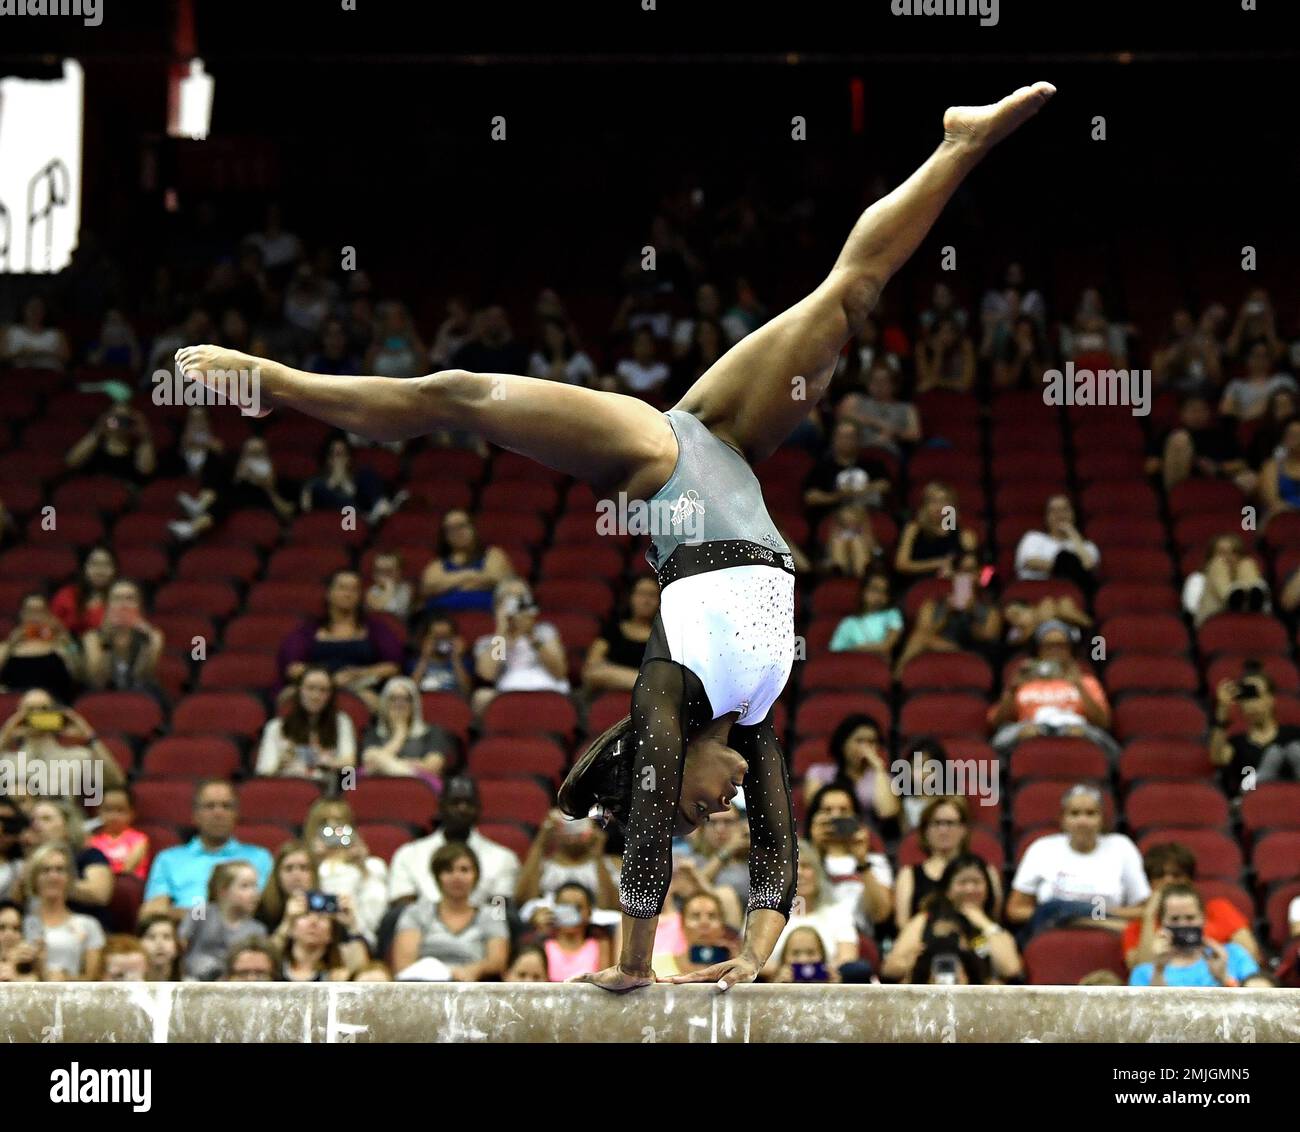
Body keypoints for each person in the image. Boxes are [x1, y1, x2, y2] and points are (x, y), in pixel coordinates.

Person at [177, 82, 1058, 991]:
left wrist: (634, 965)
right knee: (848, 299)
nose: (709, 810)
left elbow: (642, 827)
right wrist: (754, 958)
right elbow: (776, 844)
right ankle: (959, 145)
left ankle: (276, 379)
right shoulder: (751, 715)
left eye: (689, 804)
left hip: (656, 462)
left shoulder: (669, 695)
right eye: (707, 813)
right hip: (730, 444)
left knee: (459, 397)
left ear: (657, 761)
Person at [1007, 784, 1149, 940]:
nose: (1082, 821)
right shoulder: (1042, 848)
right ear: (1062, 819)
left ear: (1102, 819)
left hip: (1107, 933)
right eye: (1074, 814)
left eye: (1090, 813)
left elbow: (1144, 910)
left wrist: (1078, 913)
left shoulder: (1121, 847)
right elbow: (1015, 910)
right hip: (1053, 933)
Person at [141, 780, 274, 918]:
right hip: (182, 935)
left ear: (236, 814)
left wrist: (189, 914)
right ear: (195, 815)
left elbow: (263, 910)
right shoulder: (168, 859)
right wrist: (204, 918)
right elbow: (152, 912)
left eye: (226, 806)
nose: (218, 813)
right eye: (210, 806)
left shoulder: (260, 858)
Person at [387, 776, 521, 908]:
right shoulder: (408, 854)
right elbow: (401, 908)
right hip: (418, 928)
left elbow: (499, 912)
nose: (462, 808)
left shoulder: (503, 858)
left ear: (479, 809)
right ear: (440, 807)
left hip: (484, 928)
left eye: (469, 803)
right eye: (455, 802)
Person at [987, 620, 1116, 757]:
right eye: (1048, 646)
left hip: (1076, 731)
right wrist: (1013, 689)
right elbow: (996, 723)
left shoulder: (1086, 681)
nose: (1055, 651)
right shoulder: (1023, 681)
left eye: (1061, 646)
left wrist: (1078, 685)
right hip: (1030, 731)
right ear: (1038, 649)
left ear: (1070, 650)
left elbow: (1104, 723)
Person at [1123, 842, 1259, 970]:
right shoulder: (1137, 928)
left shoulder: (1219, 909)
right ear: (1150, 882)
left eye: (1176, 875)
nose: (1168, 881)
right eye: (1159, 875)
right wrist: (1149, 917)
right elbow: (1141, 973)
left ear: (1190, 880)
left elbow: (1250, 956)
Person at [884, 857, 1021, 983]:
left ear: (987, 889)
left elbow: (1011, 969)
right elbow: (889, 969)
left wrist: (982, 922)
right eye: (962, 882)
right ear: (947, 889)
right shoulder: (925, 918)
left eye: (976, 882)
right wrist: (912, 961)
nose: (970, 889)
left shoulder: (992, 926)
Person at [276, 571, 402, 705]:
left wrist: (360, 673)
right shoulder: (308, 630)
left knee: (372, 701)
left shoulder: (375, 628)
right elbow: (293, 668)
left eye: (354, 589)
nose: (348, 594)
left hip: (361, 687)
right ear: (328, 593)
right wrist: (329, 679)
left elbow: (392, 666)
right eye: (342, 588)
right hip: (316, 686)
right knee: (288, 696)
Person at [391, 843, 510, 981]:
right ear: (437, 876)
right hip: (424, 985)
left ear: (475, 875)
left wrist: (473, 970)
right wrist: (445, 974)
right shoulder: (415, 913)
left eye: (464, 870)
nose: (457, 877)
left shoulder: (492, 914)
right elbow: (404, 965)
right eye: (448, 870)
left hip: (473, 986)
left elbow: (498, 962)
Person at [893, 796, 1002, 926]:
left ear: (963, 828)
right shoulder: (908, 875)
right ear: (925, 830)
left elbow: (994, 919)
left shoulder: (986, 872)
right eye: (936, 823)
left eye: (950, 823)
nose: (943, 830)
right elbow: (902, 926)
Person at [760, 843, 859, 982]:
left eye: (806, 866)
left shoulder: (839, 914)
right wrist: (781, 972)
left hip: (828, 987)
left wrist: (818, 973)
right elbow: (747, 959)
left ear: (818, 873)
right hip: (773, 987)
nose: (799, 872)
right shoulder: (762, 914)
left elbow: (848, 959)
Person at [1128, 885, 1260, 988]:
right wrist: (1159, 970)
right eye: (1174, 919)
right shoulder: (1144, 972)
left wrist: (1224, 977)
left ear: (1203, 919)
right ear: (1162, 923)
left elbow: (1258, 1006)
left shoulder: (1234, 954)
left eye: (1190, 918)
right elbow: (1148, 1018)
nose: (1183, 924)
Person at [470, 580, 570, 715]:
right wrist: (501, 630)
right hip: (508, 693)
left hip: (546, 688)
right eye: (510, 597)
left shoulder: (544, 632)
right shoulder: (490, 641)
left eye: (521, 598)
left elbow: (560, 672)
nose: (516, 603)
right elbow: (488, 675)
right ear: (498, 606)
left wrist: (531, 634)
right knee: (481, 696)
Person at [0, 688, 126, 794]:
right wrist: (6, 735)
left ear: (55, 713)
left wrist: (89, 735)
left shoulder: (77, 756)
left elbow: (116, 782)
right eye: (30, 709)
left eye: (44, 709)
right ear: (18, 715)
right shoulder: (7, 759)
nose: (37, 714)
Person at [893, 550, 1000, 675]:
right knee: (920, 638)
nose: (965, 576)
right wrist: (946, 614)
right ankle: (898, 677)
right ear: (954, 575)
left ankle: (897, 677)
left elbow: (990, 640)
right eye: (960, 571)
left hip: (972, 652)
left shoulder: (990, 610)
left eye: (970, 571)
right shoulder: (932, 605)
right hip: (942, 647)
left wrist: (972, 612)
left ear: (978, 575)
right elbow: (922, 633)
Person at [302, 798, 388, 949]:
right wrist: (317, 864)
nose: (333, 828)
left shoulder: (372, 866)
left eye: (339, 822)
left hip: (359, 940)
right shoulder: (302, 866)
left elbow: (374, 921)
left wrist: (362, 870)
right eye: (324, 823)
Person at [18, 799, 114, 925]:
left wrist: (53, 881)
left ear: (67, 826)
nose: (36, 825)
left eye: (46, 819)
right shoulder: (29, 858)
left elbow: (100, 894)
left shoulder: (88, 855)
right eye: (33, 820)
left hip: (84, 927)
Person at [255, 664, 358, 780]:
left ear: (330, 695)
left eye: (323, 690)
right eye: (310, 688)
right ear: (299, 691)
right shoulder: (276, 726)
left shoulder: (342, 721)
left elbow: (350, 765)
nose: (316, 696)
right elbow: (264, 771)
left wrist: (348, 795)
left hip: (329, 792)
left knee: (350, 774)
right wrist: (280, 764)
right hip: (289, 788)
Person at [1210, 668, 1300, 798]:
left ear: (1271, 699)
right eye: (1246, 698)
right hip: (1254, 807)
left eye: (1255, 695)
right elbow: (1217, 757)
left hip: (1293, 807)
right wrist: (1222, 710)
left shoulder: (1295, 735)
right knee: (1274, 754)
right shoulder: (1237, 743)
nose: (1251, 704)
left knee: (1294, 750)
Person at [22, 842, 104, 979]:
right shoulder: (17, 924)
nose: (53, 877)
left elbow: (93, 979)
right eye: (45, 870)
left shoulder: (88, 925)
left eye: (60, 870)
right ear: (34, 877)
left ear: (70, 877)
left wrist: (64, 980)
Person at [799, 713, 899, 824]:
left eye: (872, 742)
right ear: (843, 744)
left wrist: (879, 768)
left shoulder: (882, 778)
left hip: (865, 835)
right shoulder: (819, 773)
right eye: (859, 741)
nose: (866, 748)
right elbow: (814, 809)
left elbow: (887, 812)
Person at [179, 860, 268, 981]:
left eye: (255, 886)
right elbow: (180, 946)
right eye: (245, 886)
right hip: (191, 981)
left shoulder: (257, 930)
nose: (254, 893)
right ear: (223, 891)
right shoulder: (200, 913)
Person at [516, 810, 619, 911]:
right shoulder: (542, 867)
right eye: (568, 826)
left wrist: (598, 854)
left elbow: (611, 908)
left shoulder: (611, 864)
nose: (573, 837)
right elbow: (524, 902)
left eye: (580, 824)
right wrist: (540, 844)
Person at [419, 510, 515, 617]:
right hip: (443, 620)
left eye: (462, 526)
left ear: (473, 527)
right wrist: (471, 575)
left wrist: (449, 583)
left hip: (487, 619)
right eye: (451, 529)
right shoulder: (437, 564)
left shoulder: (493, 554)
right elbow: (429, 587)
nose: (457, 532)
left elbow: (496, 578)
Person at [359, 675, 454, 782]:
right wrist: (399, 735)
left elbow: (432, 767)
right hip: (381, 786)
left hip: (420, 786)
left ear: (414, 704)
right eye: (393, 699)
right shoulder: (373, 732)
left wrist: (386, 764)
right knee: (351, 778)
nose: (399, 704)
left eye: (405, 699)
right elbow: (370, 764)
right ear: (385, 703)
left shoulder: (433, 732)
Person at [80, 579, 164, 693]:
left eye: (130, 599)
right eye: (117, 599)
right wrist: (105, 640)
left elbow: (144, 677)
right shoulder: (92, 637)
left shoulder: (153, 636)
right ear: (107, 605)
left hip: (140, 696)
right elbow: (97, 680)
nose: (123, 605)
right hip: (103, 696)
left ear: (140, 606)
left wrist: (147, 637)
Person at [581, 577, 659, 696]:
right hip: (610, 694)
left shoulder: (666, 634)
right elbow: (591, 667)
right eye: (641, 594)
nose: (646, 600)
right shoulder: (613, 629)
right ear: (631, 597)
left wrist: (612, 670)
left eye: (652, 595)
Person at [0, 595, 82, 704]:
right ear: (21, 614)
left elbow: (79, 671)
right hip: (17, 707)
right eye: (30, 611)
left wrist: (66, 638)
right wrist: (11, 643)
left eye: (40, 611)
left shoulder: (61, 644)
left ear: (48, 614)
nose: (35, 617)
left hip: (56, 705)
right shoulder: (8, 646)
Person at [1013, 494, 1100, 593]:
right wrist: (1074, 569)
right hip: (1035, 590)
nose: (1059, 515)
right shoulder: (1034, 537)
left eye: (1064, 509)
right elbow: (1030, 562)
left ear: (1073, 514)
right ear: (1046, 517)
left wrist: (1074, 535)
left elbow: (1089, 566)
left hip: (1070, 594)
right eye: (1053, 511)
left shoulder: (1087, 546)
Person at [895, 481, 979, 579]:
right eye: (933, 501)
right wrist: (937, 563)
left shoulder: (965, 535)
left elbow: (977, 574)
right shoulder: (913, 529)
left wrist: (954, 574)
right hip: (917, 585)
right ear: (925, 506)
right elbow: (900, 564)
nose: (939, 507)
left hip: (952, 587)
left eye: (944, 502)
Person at [1182, 534, 1270, 626]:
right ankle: (1229, 595)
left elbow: (1266, 608)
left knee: (1248, 564)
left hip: (1251, 623)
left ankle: (1238, 595)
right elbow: (1192, 609)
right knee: (1218, 567)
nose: (1228, 557)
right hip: (1214, 624)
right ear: (1210, 557)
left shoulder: (1250, 571)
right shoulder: (1198, 579)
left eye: (1234, 552)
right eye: (1221, 552)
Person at [65, 404, 157, 483]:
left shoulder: (138, 447)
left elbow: (146, 470)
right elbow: (72, 462)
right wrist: (98, 430)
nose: (120, 423)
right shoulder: (94, 444)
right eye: (116, 419)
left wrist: (144, 434)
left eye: (125, 419)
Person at [655, 890, 736, 978]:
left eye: (712, 916)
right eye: (695, 916)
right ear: (682, 924)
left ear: (723, 926)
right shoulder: (657, 965)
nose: (704, 923)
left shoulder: (736, 968)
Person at [541, 881, 611, 981]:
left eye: (578, 907)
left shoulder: (601, 944)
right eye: (565, 906)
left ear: (589, 912)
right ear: (555, 909)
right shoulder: (543, 944)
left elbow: (604, 983)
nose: (570, 913)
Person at [49, 547, 116, 637]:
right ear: (84, 568)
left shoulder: (121, 597)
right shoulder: (66, 595)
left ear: (114, 569)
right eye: (94, 564)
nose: (100, 570)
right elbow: (51, 628)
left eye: (106, 564)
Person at [86, 786, 149, 880]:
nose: (114, 816)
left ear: (132, 813)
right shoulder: (92, 841)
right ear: (98, 812)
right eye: (108, 810)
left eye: (120, 810)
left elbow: (127, 870)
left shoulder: (139, 840)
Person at [409, 615, 472, 696]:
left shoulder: (464, 662)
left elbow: (466, 691)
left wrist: (456, 659)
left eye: (446, 637)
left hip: (452, 703)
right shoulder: (415, 662)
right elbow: (411, 691)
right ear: (426, 638)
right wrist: (425, 657)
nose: (441, 642)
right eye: (437, 637)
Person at [3, 295, 70, 370]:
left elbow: (66, 358)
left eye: (39, 308)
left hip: (50, 374)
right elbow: (3, 356)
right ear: (23, 310)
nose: (35, 312)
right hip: (19, 374)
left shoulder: (56, 333)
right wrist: (20, 354)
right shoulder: (11, 330)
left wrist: (46, 354)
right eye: (31, 308)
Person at [0, 898, 43, 981]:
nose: (9, 934)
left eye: (16, 928)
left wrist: (39, 965)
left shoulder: (29, 970)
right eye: (2, 928)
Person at [364, 551, 414, 619]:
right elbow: (380, 613)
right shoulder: (371, 592)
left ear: (399, 571)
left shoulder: (407, 589)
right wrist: (389, 588)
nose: (383, 575)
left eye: (389, 571)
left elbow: (397, 613)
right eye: (379, 571)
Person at [137, 913, 182, 980]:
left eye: (166, 937)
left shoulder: (192, 985)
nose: (159, 944)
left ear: (177, 945)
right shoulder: (129, 984)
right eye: (151, 937)